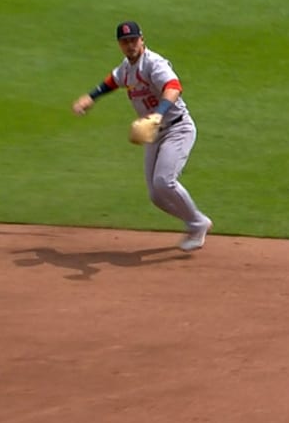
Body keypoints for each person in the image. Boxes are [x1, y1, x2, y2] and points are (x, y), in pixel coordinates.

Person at [73, 21, 213, 251]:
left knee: (164, 182)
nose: (130, 45)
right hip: (154, 134)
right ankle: (195, 220)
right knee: (156, 196)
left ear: (142, 39)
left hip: (177, 128)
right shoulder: (127, 68)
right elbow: (112, 80)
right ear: (119, 44)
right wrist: (90, 98)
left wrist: (158, 115)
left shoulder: (154, 64)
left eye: (133, 40)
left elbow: (174, 87)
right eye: (125, 41)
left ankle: (198, 223)